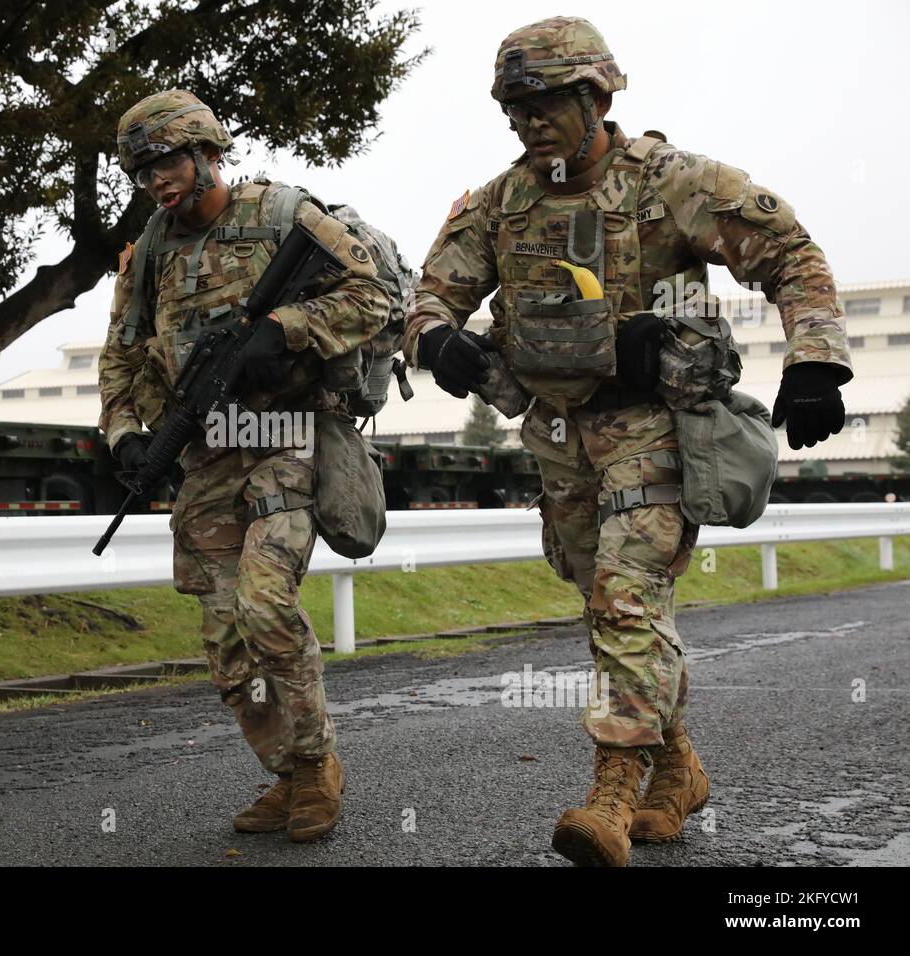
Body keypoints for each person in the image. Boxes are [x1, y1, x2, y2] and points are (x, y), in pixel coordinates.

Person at [402, 17, 852, 865]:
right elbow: (429, 297)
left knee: (625, 594)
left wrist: (816, 362)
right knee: (605, 604)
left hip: (657, 427)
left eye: (547, 103)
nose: (531, 122)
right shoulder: (501, 202)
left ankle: (609, 798)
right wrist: (434, 338)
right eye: (515, 107)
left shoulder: (670, 183)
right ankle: (677, 769)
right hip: (561, 436)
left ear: (596, 96)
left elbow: (789, 253)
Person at [98, 90, 390, 842]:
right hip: (206, 456)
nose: (158, 180)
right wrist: (126, 432)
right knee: (227, 637)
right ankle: (290, 773)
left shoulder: (282, 214)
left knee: (264, 605)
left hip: (288, 440)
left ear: (205, 152)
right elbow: (124, 355)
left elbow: (375, 297)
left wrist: (286, 330)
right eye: (143, 170)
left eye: (167, 160)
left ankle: (319, 764)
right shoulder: (151, 252)